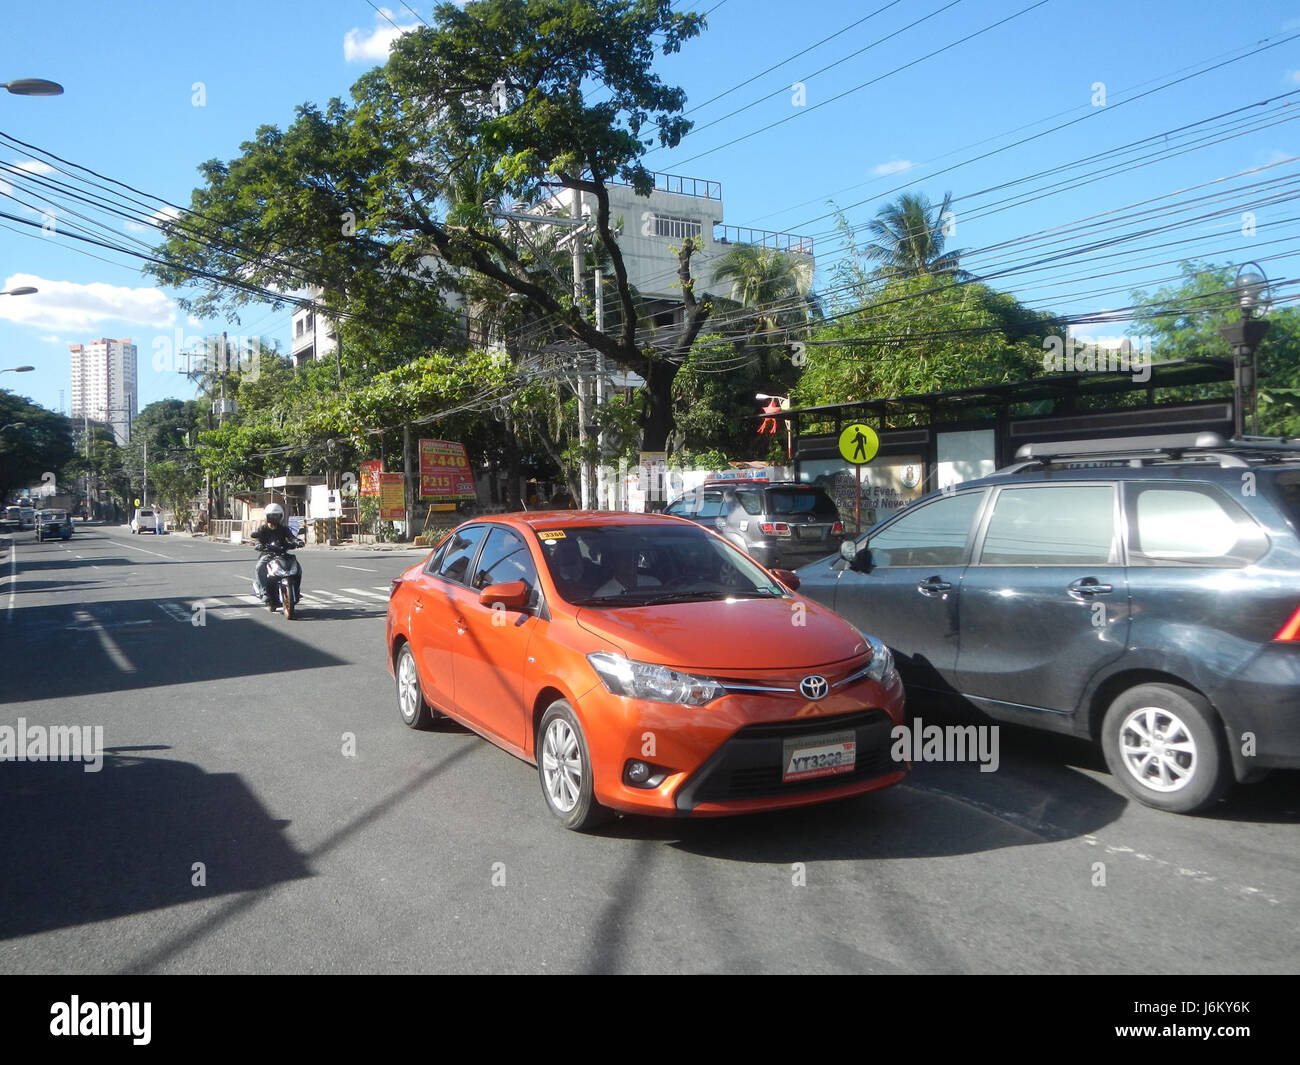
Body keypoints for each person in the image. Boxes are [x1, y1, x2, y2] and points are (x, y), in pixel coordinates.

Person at [252, 503, 303, 608]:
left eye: (276, 516)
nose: (274, 518)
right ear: (267, 517)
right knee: (259, 567)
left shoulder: (284, 529)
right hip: (268, 555)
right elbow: (258, 539)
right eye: (271, 516)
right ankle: (264, 592)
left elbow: (291, 537)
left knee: (297, 567)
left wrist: (297, 541)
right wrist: (258, 545)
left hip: (282, 554)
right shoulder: (263, 529)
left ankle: (296, 590)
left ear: (281, 516)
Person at [591, 541, 661, 598]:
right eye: (625, 558)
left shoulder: (653, 584)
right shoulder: (603, 595)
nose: (631, 561)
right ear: (614, 563)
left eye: (634, 557)